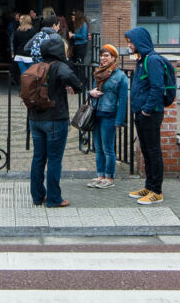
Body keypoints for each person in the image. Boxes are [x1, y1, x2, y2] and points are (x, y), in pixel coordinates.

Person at [25, 33, 86, 209]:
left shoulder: (37, 66)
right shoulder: (60, 67)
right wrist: (74, 87)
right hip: (55, 119)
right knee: (54, 160)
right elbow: (77, 84)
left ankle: (37, 196)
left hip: (35, 119)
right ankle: (54, 198)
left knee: (38, 158)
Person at [125, 26, 175, 206]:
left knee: (153, 152)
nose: (129, 45)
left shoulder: (152, 60)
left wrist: (146, 109)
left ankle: (156, 191)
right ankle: (148, 186)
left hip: (150, 113)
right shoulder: (142, 60)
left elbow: (157, 87)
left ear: (139, 41)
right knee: (146, 151)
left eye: (131, 42)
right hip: (141, 112)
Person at [86, 44, 128, 189]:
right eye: (101, 55)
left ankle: (109, 177)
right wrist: (90, 93)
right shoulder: (98, 73)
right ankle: (100, 175)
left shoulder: (121, 76)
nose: (103, 58)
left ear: (114, 58)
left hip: (110, 115)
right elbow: (92, 91)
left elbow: (123, 101)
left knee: (108, 148)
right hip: (96, 113)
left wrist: (119, 120)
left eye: (106, 56)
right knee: (98, 148)